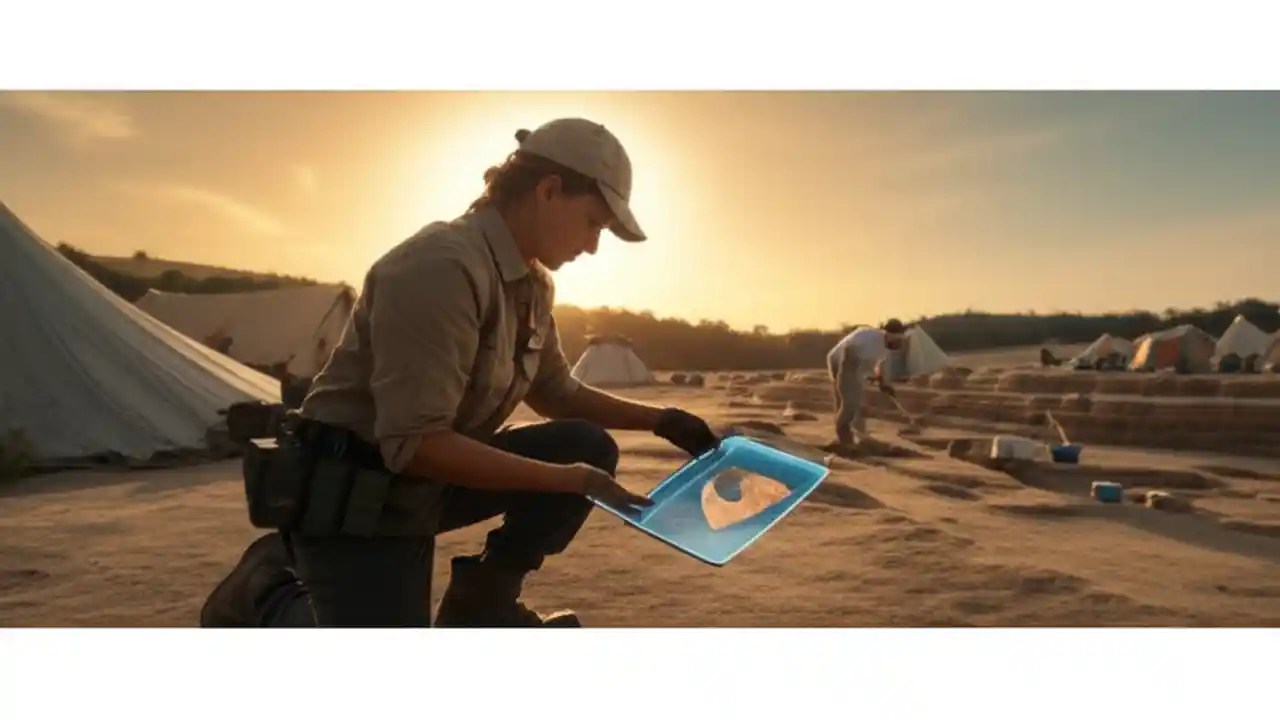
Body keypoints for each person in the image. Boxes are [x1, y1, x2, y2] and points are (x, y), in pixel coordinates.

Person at [200, 118, 720, 628]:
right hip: (355, 499)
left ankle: (482, 603)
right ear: (549, 189)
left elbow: (555, 391)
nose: (592, 246)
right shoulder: (440, 267)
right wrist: (571, 481)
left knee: (586, 444)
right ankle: (265, 591)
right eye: (592, 223)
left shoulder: (531, 283)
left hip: (428, 482)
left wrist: (663, 420)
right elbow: (415, 442)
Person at [825, 319, 906, 446]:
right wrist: (848, 377)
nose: (900, 344)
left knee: (852, 403)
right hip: (840, 362)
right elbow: (848, 351)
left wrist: (883, 383)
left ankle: (857, 436)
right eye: (899, 341)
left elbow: (879, 366)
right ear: (890, 336)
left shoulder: (885, 347)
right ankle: (844, 436)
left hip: (855, 366)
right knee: (849, 403)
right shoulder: (870, 339)